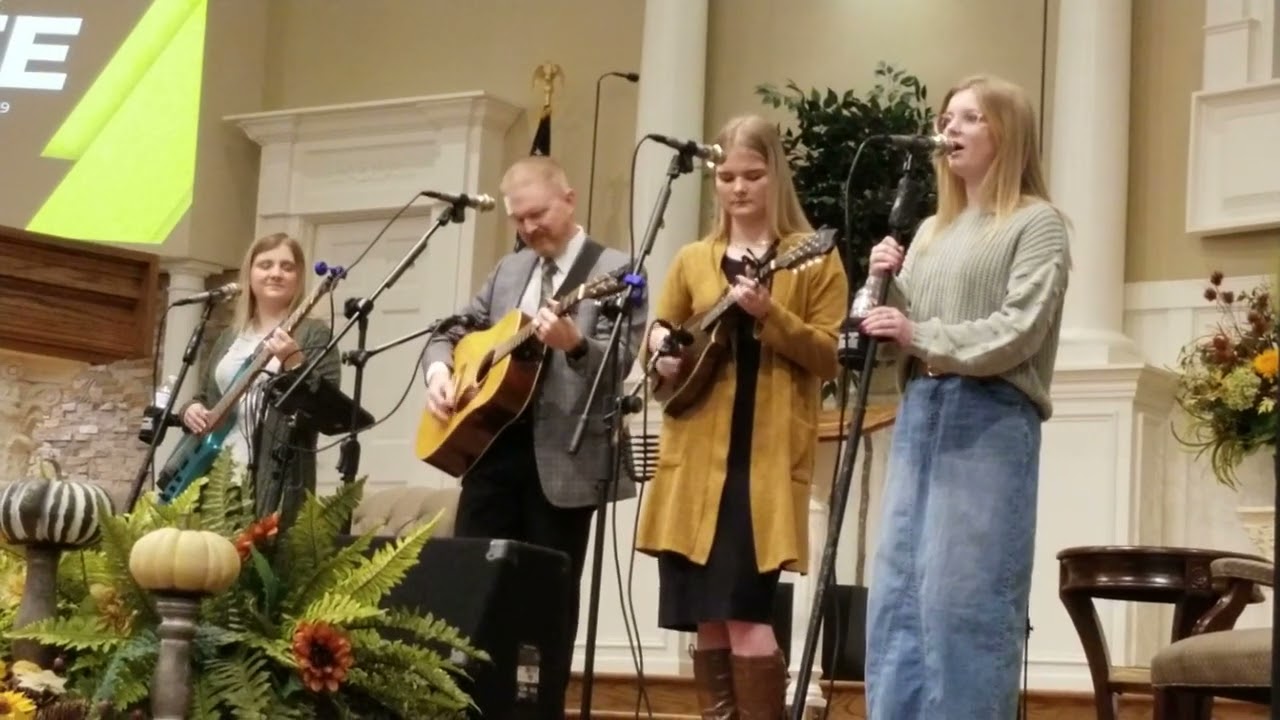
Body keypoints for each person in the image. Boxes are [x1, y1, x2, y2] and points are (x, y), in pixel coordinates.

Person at [859, 74, 1072, 719]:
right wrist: (881, 287)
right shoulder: (929, 231)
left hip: (989, 422)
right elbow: (901, 333)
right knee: (899, 604)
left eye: (970, 117)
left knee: (963, 605)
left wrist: (918, 331)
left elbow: (1018, 329)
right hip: (920, 414)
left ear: (1005, 134)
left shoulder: (1039, 225)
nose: (949, 128)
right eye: (947, 117)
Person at [636, 114, 849, 719]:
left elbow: (832, 356)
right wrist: (659, 352)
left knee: (747, 617)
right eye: (726, 175)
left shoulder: (812, 261)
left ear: (775, 176)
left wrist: (769, 315)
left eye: (752, 174)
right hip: (693, 465)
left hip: (758, 467)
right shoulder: (692, 259)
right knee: (707, 623)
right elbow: (660, 338)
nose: (738, 187)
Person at [420, 155, 646, 703]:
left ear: (568, 198)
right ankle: (468, 705)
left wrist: (574, 343)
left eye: (537, 214)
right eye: (518, 220)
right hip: (490, 448)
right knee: (474, 586)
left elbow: (619, 364)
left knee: (547, 605)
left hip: (562, 461)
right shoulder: (508, 270)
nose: (528, 228)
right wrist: (440, 369)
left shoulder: (615, 269)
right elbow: (451, 329)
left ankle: (538, 708)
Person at [180, 232, 340, 519]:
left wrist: (294, 362)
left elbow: (327, 408)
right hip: (215, 475)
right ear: (250, 274)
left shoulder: (314, 333)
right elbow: (205, 396)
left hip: (277, 479)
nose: (275, 274)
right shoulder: (230, 336)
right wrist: (190, 409)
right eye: (265, 265)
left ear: (299, 277)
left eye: (286, 267)